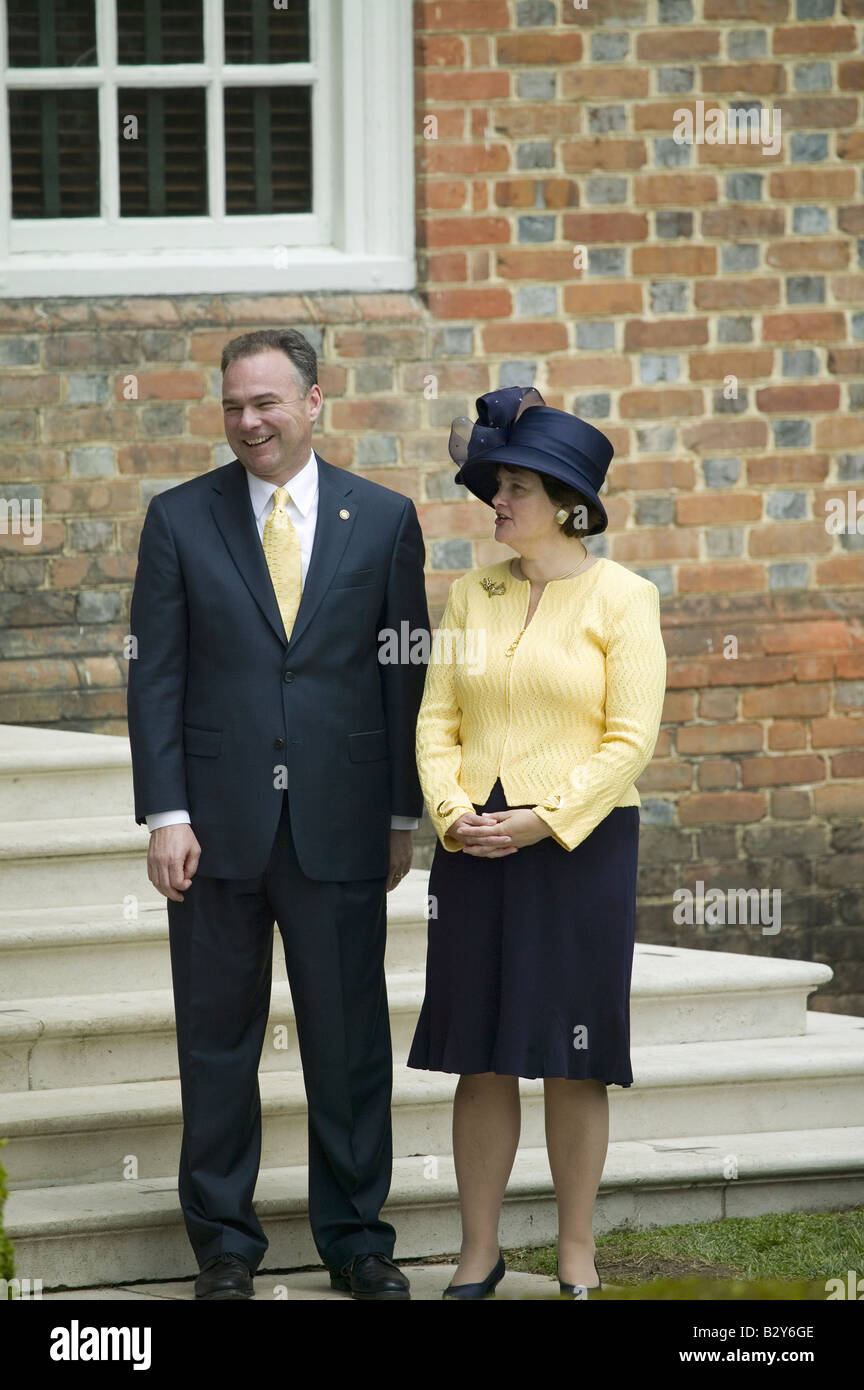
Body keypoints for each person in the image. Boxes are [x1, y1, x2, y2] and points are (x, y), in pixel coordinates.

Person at [126, 328, 429, 1300]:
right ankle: (224, 1245)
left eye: (265, 402)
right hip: (212, 828)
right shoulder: (179, 520)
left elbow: (401, 671)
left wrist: (399, 815)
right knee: (216, 1040)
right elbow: (157, 677)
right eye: (232, 406)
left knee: (349, 1042)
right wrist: (165, 811)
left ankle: (357, 1240)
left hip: (340, 824)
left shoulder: (383, 519)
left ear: (313, 402)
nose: (248, 421)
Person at [407, 387, 667, 1300]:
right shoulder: (470, 594)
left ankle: (576, 1250)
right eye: (495, 487)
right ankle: (479, 1251)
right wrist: (451, 813)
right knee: (480, 1051)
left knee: (570, 1053)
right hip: (475, 845)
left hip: (580, 849)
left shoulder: (624, 598)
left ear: (566, 500)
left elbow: (629, 737)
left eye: (515, 486)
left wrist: (544, 818)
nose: (498, 503)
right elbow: (435, 717)